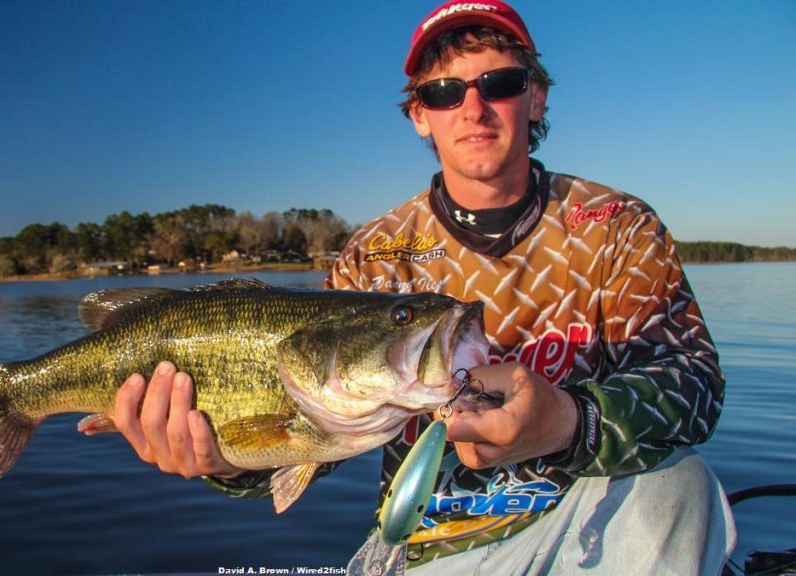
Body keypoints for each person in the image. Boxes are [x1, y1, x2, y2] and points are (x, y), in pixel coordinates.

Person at [110, 1, 736, 573]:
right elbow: (310, 437)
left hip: (592, 516)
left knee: (678, 483)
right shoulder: (374, 256)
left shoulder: (614, 225)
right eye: (443, 92)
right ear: (419, 116)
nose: (473, 108)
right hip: (431, 543)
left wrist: (571, 422)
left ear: (536, 97)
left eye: (500, 83)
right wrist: (223, 462)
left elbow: (695, 383)